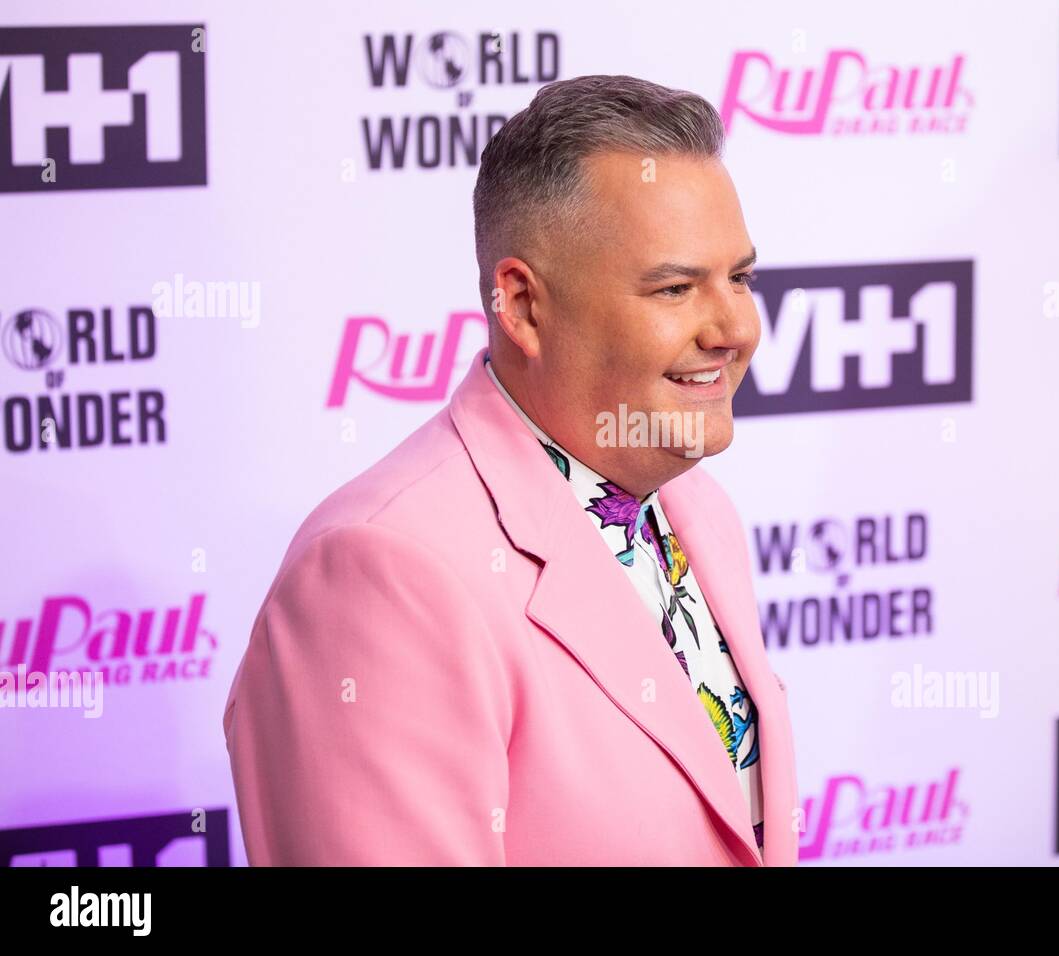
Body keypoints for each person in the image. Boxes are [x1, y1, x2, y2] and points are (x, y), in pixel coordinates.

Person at [222, 74, 798, 866]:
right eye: (675, 288)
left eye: (740, 277)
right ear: (523, 306)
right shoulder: (380, 572)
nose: (737, 327)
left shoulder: (698, 509)